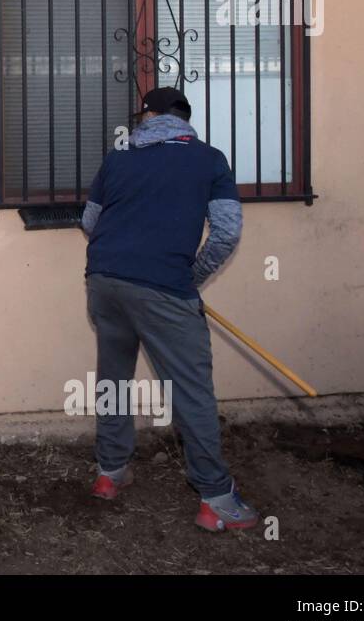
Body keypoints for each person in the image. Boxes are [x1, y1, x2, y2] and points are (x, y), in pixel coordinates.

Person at [80, 86, 258, 531]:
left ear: (147, 115)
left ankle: (110, 472)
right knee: (191, 390)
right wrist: (191, 277)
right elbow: (227, 232)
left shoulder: (119, 156)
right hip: (163, 287)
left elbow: (90, 221)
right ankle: (216, 498)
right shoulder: (208, 159)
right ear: (185, 120)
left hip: (105, 281)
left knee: (114, 377)